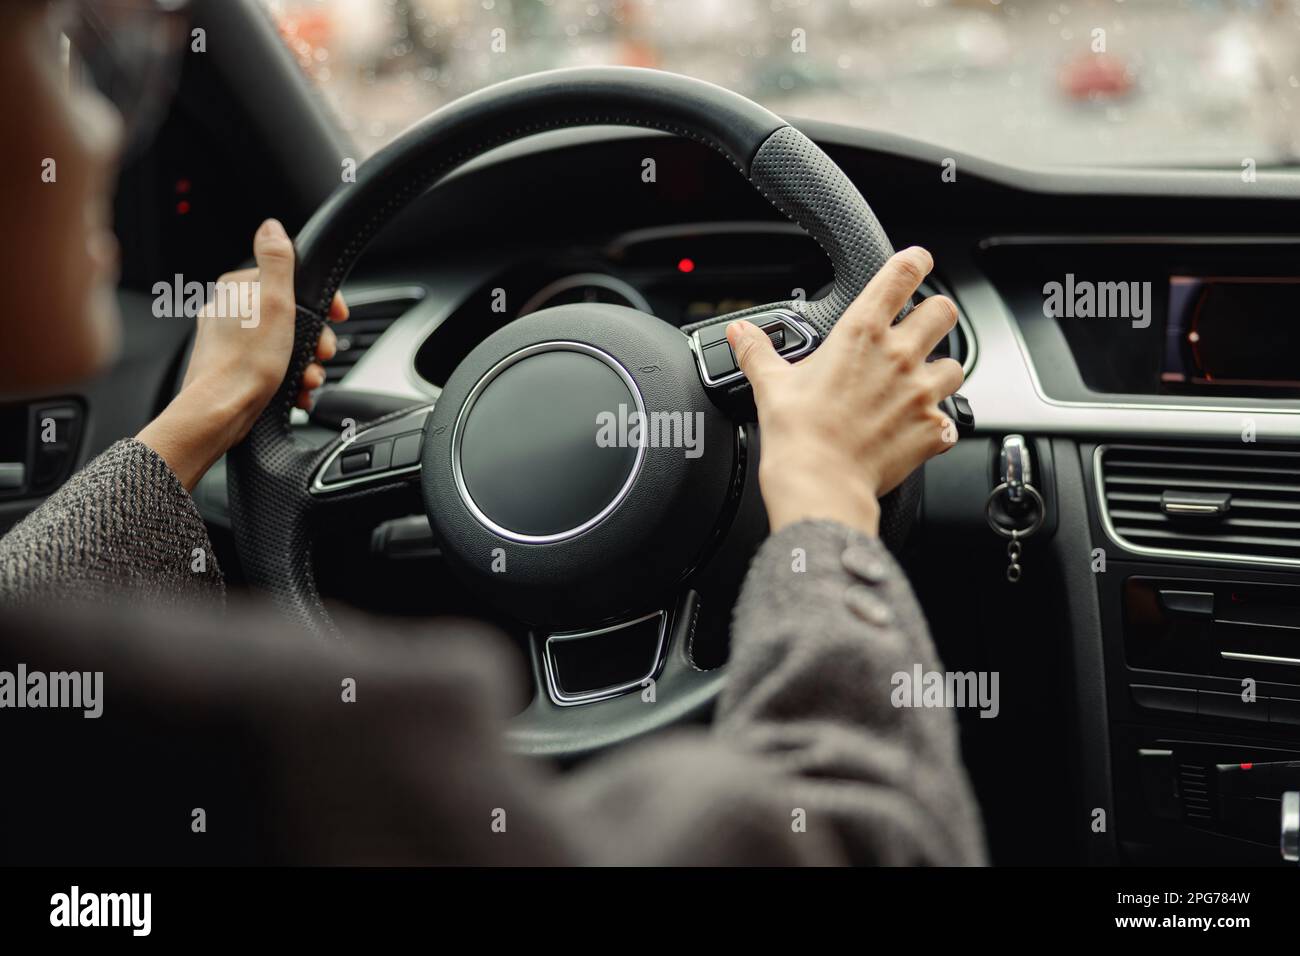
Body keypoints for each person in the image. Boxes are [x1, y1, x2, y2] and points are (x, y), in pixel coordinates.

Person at [0, 0, 984, 865]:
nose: (94, 129)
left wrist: (197, 421)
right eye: (51, 48)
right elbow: (861, 835)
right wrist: (822, 500)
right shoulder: (307, 748)